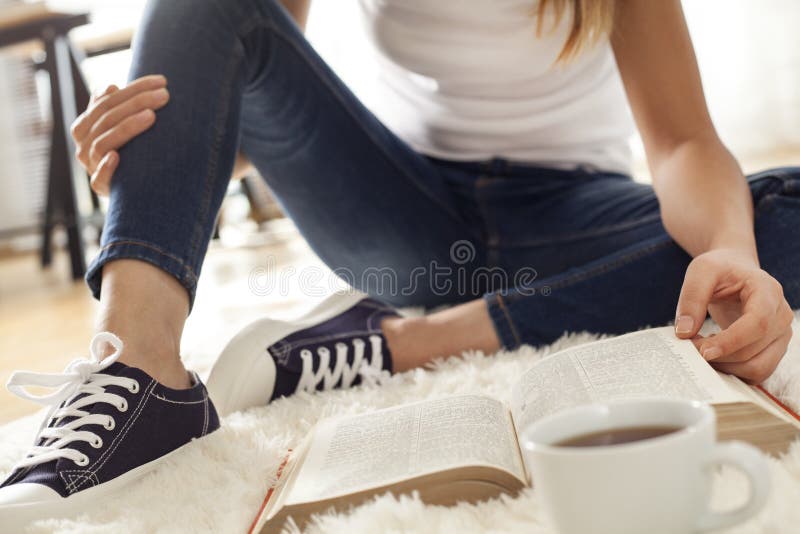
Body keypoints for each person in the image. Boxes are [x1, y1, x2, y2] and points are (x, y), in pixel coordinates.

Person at [1, 0, 798, 526]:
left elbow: (685, 142)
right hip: (407, 217)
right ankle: (140, 369)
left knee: (784, 212)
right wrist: (160, 158)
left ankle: (408, 341)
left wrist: (730, 251)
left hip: (570, 218)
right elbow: (253, 80)